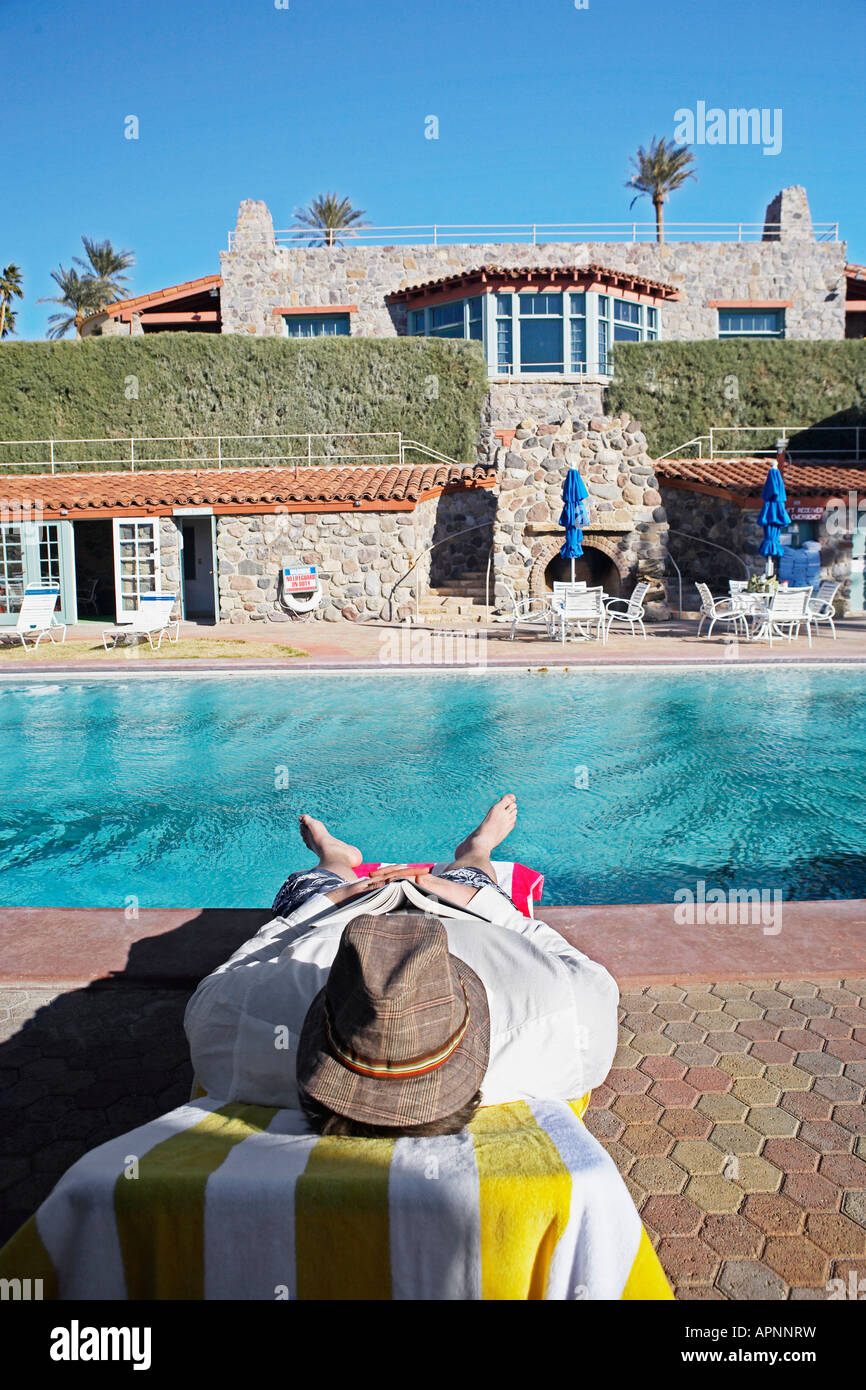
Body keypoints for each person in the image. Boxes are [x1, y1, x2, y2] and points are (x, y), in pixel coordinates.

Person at [184, 795, 619, 1139]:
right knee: (474, 876)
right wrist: (437, 886)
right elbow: (568, 959)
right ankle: (476, 849)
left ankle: (334, 857)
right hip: (460, 919)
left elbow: (240, 964)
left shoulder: (253, 1017)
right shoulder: (551, 1017)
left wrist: (341, 896)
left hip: (336, 924)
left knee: (313, 883)